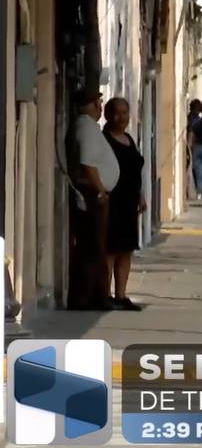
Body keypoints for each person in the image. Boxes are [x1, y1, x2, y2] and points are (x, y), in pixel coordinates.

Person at [66, 87, 120, 311]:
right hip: (92, 194)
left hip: (94, 192)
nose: (100, 106)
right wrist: (100, 191)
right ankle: (90, 296)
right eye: (97, 101)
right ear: (89, 105)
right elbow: (88, 164)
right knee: (92, 246)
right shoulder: (86, 128)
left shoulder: (89, 127)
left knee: (94, 245)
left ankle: (94, 295)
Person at [102, 97, 146, 311]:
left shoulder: (128, 139)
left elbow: (135, 172)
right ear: (107, 115)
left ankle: (121, 295)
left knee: (126, 249)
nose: (121, 118)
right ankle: (105, 294)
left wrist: (141, 196)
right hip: (112, 200)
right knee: (110, 248)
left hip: (129, 201)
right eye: (116, 113)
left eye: (125, 113)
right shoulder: (104, 140)